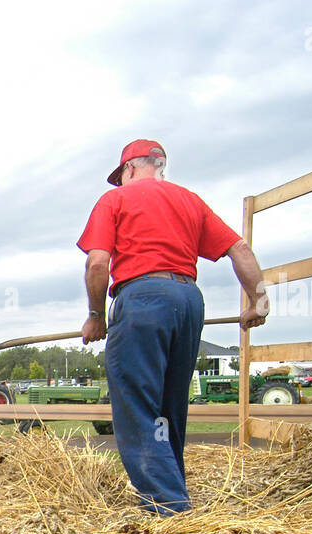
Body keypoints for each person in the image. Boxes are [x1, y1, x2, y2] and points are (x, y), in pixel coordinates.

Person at [77, 139, 269, 514]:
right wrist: (259, 301)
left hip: (143, 299)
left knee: (137, 406)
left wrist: (96, 316)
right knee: (168, 407)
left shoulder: (114, 200)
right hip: (188, 300)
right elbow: (240, 250)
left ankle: (170, 508)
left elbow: (98, 264)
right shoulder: (189, 200)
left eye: (121, 176)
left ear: (129, 168)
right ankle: (169, 488)